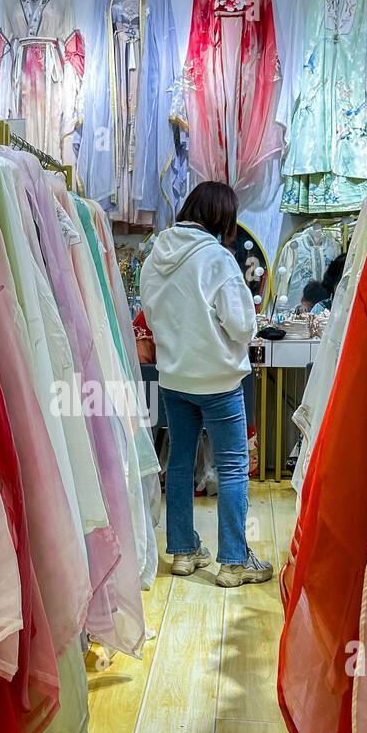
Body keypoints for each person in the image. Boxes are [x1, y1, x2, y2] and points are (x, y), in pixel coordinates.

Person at [139, 181, 272, 587]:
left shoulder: (154, 257)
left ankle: (182, 550)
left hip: (174, 377)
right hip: (217, 379)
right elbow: (241, 325)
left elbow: (149, 313)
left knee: (179, 461)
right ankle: (233, 561)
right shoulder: (217, 259)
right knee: (232, 466)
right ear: (221, 217)